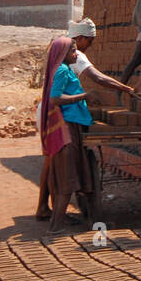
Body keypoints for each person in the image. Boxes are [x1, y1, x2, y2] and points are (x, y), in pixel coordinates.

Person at [36, 36, 97, 232]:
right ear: (62, 54)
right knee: (66, 179)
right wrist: (84, 96)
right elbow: (55, 99)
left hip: (72, 127)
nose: (76, 53)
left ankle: (88, 222)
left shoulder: (64, 69)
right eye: (72, 50)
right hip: (66, 131)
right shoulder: (62, 70)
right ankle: (55, 228)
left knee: (71, 176)